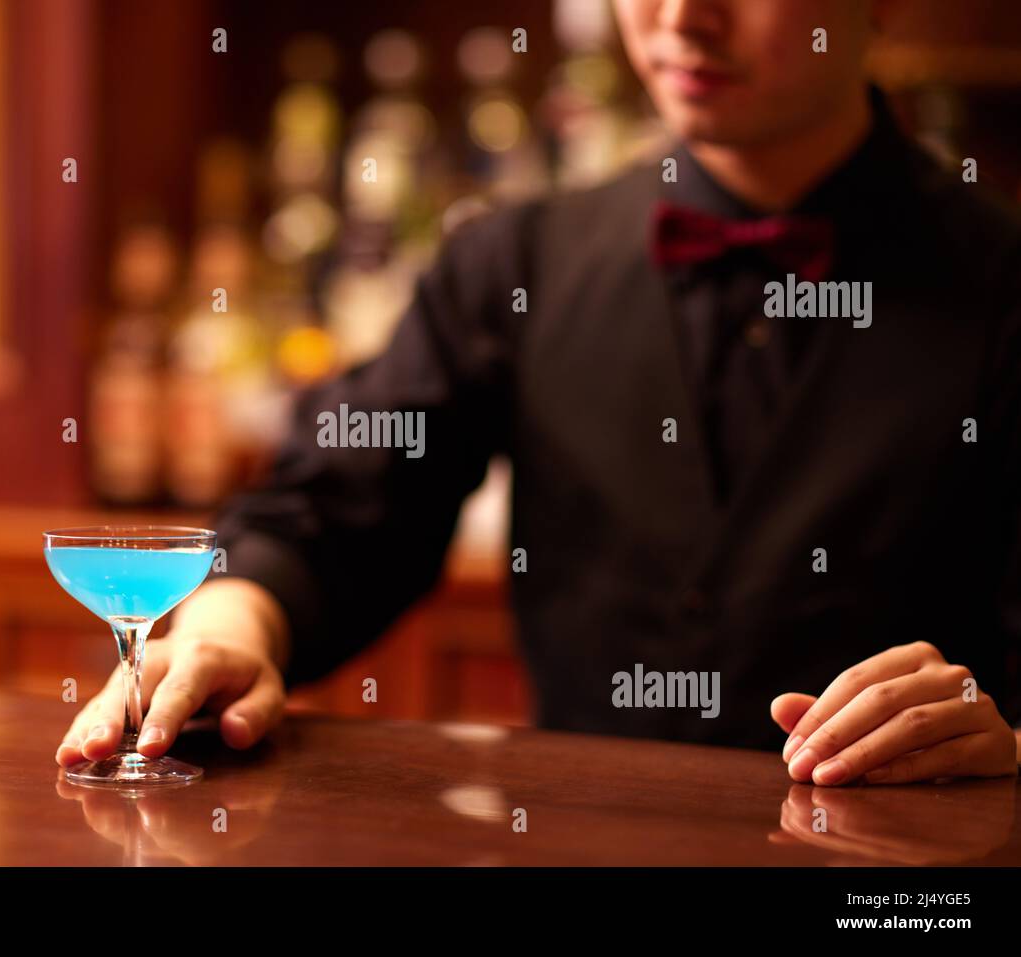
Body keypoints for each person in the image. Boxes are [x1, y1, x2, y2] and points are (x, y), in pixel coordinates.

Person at [58, 0, 1021, 786]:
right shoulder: (514, 263)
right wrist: (232, 629)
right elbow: (330, 511)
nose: (683, 17)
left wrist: (1009, 745)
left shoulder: (1000, 279)